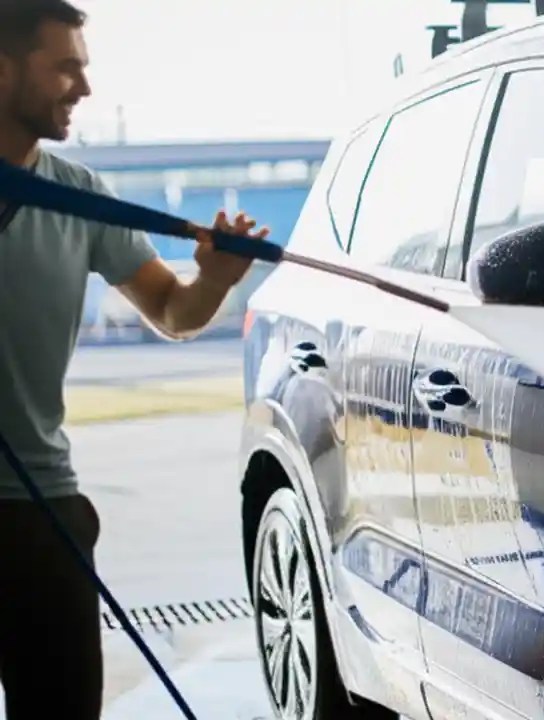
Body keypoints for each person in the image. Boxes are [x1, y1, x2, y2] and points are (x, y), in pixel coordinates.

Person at [0, 2, 270, 717]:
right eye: (65, 67)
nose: (82, 89)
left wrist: (215, 279)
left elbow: (175, 313)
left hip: (41, 514)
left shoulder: (80, 196)